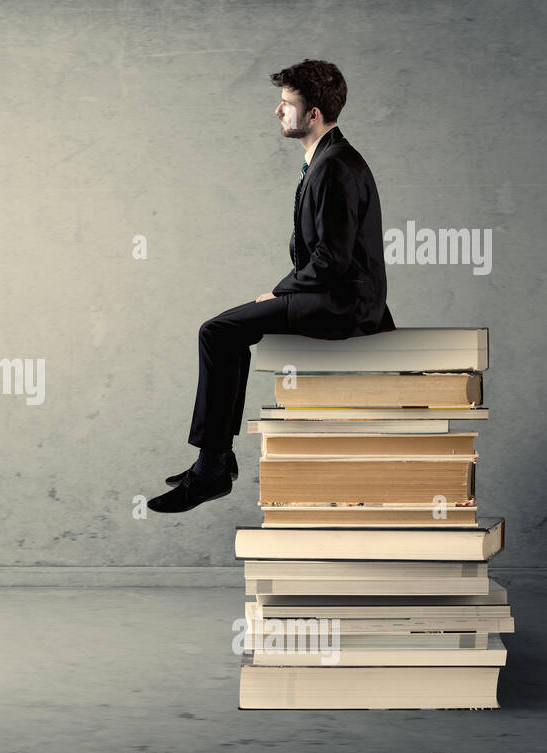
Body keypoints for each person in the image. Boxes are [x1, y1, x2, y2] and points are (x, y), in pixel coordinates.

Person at [149, 59, 397, 514]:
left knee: (218, 331)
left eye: (287, 104)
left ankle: (212, 470)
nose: (277, 111)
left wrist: (282, 292)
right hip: (331, 293)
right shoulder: (327, 159)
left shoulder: (336, 167)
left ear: (314, 114)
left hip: (342, 303)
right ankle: (214, 463)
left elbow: (332, 260)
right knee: (227, 331)